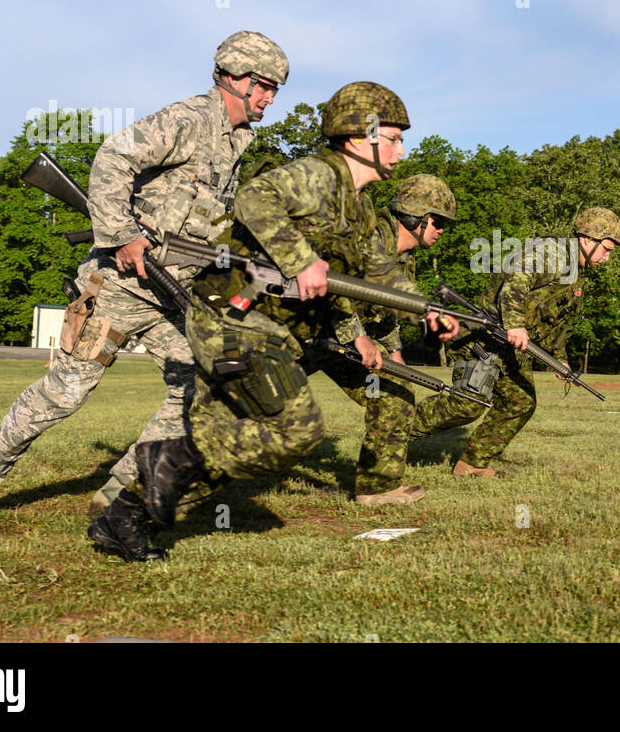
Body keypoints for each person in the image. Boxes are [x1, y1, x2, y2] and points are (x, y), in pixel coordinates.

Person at [87, 82, 457, 561]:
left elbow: (378, 273)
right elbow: (254, 199)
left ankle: (122, 520)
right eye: (392, 138)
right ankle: (158, 468)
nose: (401, 151)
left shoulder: (360, 210)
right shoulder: (317, 176)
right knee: (295, 430)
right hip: (234, 316)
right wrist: (301, 259)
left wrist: (427, 309)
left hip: (267, 328)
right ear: (356, 139)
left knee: (236, 436)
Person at [0, 31, 288, 532]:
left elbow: (205, 222)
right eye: (263, 85)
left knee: (195, 389)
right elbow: (113, 156)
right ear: (233, 77)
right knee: (62, 395)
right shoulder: (189, 120)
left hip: (171, 297)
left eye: (275, 88)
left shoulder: (237, 142)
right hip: (118, 289)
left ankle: (118, 491)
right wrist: (124, 235)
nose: (269, 97)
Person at [406, 208, 620, 477]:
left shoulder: (573, 273)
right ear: (588, 240)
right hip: (486, 339)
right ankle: (388, 437)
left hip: (510, 348)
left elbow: (555, 322)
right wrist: (515, 323)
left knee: (519, 403)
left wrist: (558, 357)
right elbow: (516, 278)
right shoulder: (552, 254)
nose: (608, 257)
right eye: (607, 249)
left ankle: (471, 465)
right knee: (467, 402)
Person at [302, 173, 459, 506]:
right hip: (302, 334)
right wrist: (359, 338)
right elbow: (333, 289)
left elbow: (385, 310)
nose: (443, 229)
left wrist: (394, 350)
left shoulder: (403, 258)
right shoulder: (370, 239)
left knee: (394, 392)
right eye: (438, 220)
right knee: (242, 411)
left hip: (332, 342)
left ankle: (378, 487)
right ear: (416, 217)